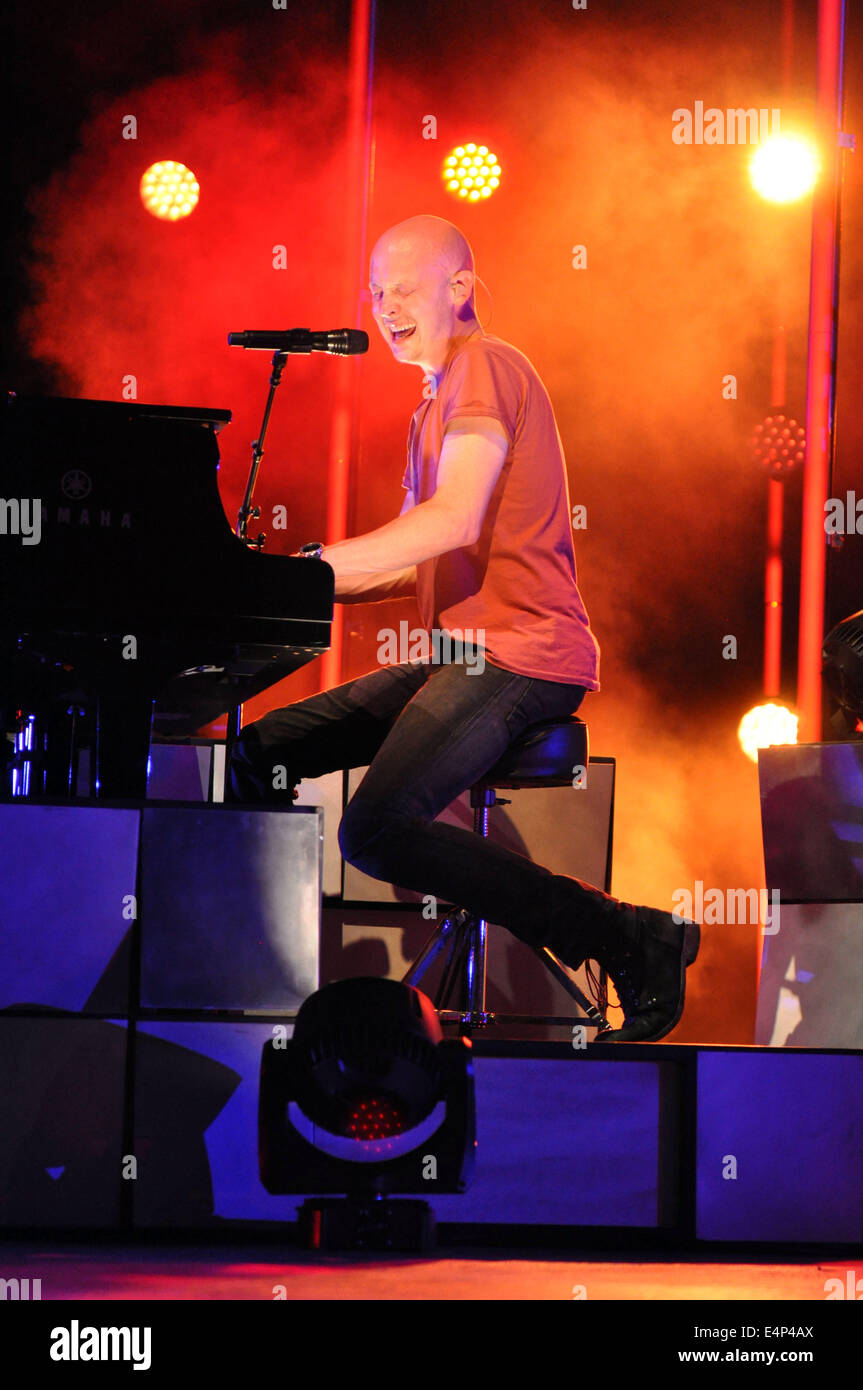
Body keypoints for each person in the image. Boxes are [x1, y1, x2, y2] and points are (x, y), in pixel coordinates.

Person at [229, 214, 699, 1042]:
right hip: (460, 654)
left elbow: (449, 520)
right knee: (262, 750)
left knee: (374, 828)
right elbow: (416, 560)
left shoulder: (483, 368)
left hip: (520, 653)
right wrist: (287, 578)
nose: (384, 307)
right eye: (375, 293)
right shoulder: (433, 406)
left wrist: (311, 570)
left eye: (403, 289)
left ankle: (625, 934)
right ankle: (246, 960)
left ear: (459, 288)